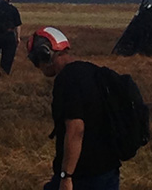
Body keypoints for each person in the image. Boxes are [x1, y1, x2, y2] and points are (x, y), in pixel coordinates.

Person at [27, 27, 121, 190]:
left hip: (84, 174)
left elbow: (76, 129)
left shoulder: (67, 80)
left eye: (37, 61)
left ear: (45, 54)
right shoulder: (92, 70)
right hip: (109, 168)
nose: (39, 67)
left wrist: (66, 176)